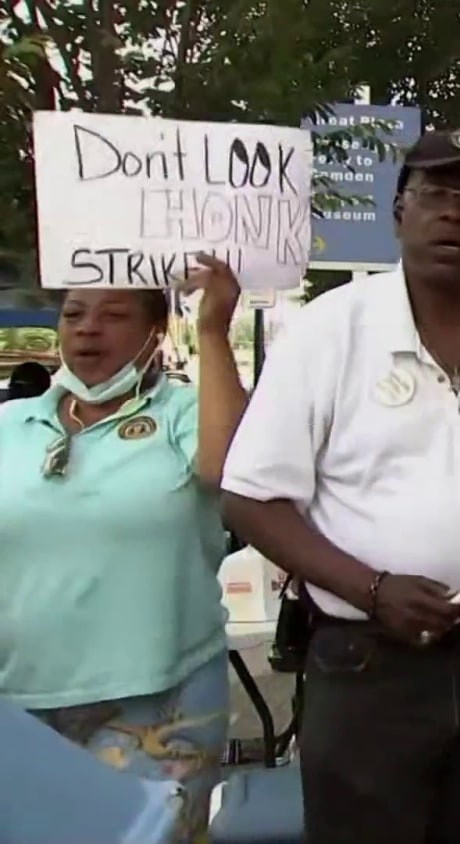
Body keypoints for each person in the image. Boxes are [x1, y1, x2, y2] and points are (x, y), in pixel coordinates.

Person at [219, 128, 460, 844]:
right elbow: (250, 496)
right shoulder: (329, 330)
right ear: (399, 213)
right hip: (368, 667)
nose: (452, 214)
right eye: (433, 196)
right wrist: (371, 588)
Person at [0, 256, 247, 841]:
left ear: (154, 332)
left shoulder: (186, 414)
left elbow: (230, 470)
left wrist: (212, 329)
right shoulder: (12, 424)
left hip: (160, 707)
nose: (88, 328)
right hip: (20, 703)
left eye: (113, 315)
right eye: (74, 313)